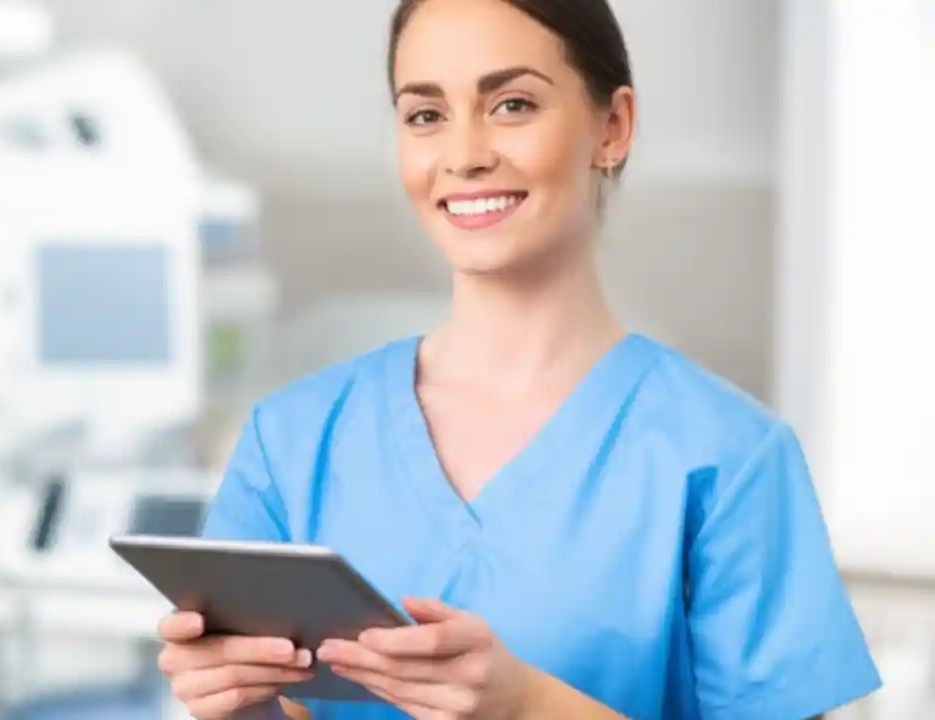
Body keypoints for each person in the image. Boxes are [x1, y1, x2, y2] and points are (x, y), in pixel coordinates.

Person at [155, 0, 882, 718]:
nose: (465, 154)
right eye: (426, 115)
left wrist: (528, 705)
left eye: (512, 105)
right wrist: (238, 708)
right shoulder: (293, 442)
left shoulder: (729, 459)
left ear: (613, 126)